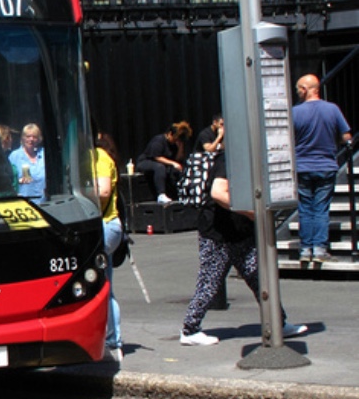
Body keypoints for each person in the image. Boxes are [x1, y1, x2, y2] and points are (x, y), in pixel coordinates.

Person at [181, 149, 308, 345]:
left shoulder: (245, 158)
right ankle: (189, 329)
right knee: (210, 282)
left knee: (258, 277)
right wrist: (253, 213)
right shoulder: (230, 157)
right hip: (219, 233)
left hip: (239, 231)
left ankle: (278, 323)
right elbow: (217, 192)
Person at [292, 74, 353, 262]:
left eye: (298, 90)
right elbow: (346, 137)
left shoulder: (294, 112)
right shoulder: (332, 109)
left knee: (305, 208)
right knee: (320, 209)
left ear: (304, 89)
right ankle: (319, 249)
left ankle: (305, 250)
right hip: (326, 165)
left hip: (302, 166)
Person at [94, 132, 124, 362]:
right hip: (107, 226)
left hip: (105, 225)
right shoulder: (97, 156)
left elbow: (103, 192)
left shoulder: (99, 156)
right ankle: (112, 340)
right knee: (106, 284)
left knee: (102, 285)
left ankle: (112, 341)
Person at [135, 121, 192, 204]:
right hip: (146, 161)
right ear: (169, 134)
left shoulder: (174, 145)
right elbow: (156, 157)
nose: (175, 141)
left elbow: (177, 159)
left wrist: (180, 147)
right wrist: (172, 163)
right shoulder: (159, 140)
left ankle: (179, 193)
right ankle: (161, 194)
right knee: (160, 167)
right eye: (175, 139)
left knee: (177, 170)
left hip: (162, 164)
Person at [9, 123, 45, 200]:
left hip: (45, 203)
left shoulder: (43, 154)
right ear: (22, 138)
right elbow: (8, 181)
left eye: (34, 137)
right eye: (28, 136)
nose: (31, 139)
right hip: (24, 205)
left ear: (39, 139)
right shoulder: (14, 156)